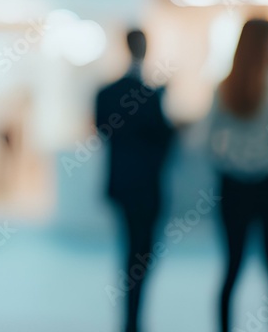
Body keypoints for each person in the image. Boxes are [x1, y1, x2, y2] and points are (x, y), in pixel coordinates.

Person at [206, 19, 268, 332]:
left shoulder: (223, 86)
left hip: (233, 188)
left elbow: (209, 140)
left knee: (231, 268)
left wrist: (229, 164)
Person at [95, 29, 175, 332]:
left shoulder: (106, 94)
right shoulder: (151, 96)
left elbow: (103, 132)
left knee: (131, 250)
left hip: (122, 185)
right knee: (141, 253)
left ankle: (131, 317)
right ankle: (132, 317)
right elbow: (166, 140)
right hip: (147, 188)